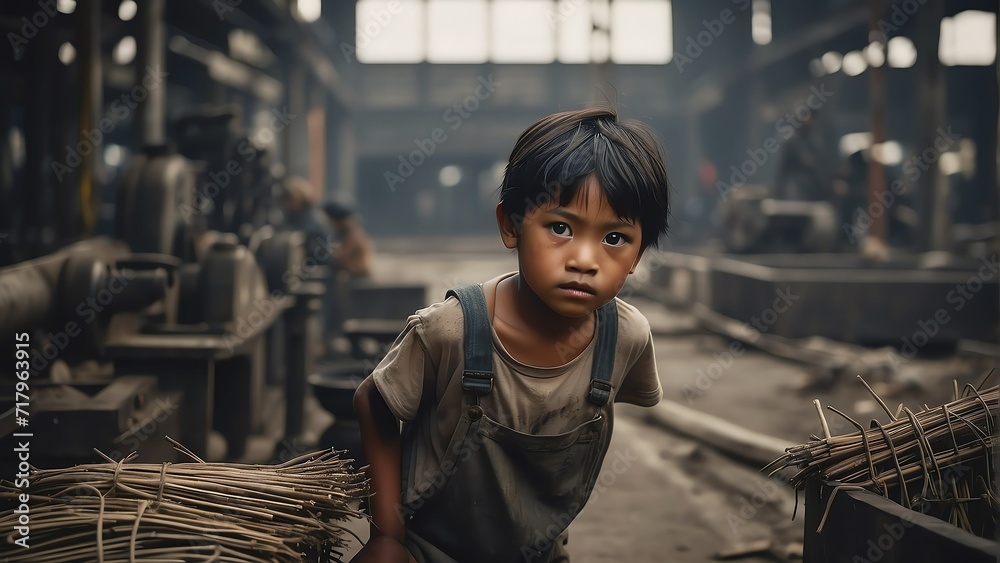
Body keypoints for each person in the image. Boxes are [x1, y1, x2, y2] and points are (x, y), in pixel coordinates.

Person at [352, 105, 671, 563]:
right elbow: (372, 401)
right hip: (428, 549)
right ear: (510, 225)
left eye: (615, 238)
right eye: (560, 228)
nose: (584, 259)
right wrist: (385, 532)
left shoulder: (627, 339)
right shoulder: (449, 329)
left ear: (639, 255)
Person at [323, 202, 374, 278]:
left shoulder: (354, 235)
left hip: (359, 276)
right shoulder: (346, 233)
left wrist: (336, 254)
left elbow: (346, 258)